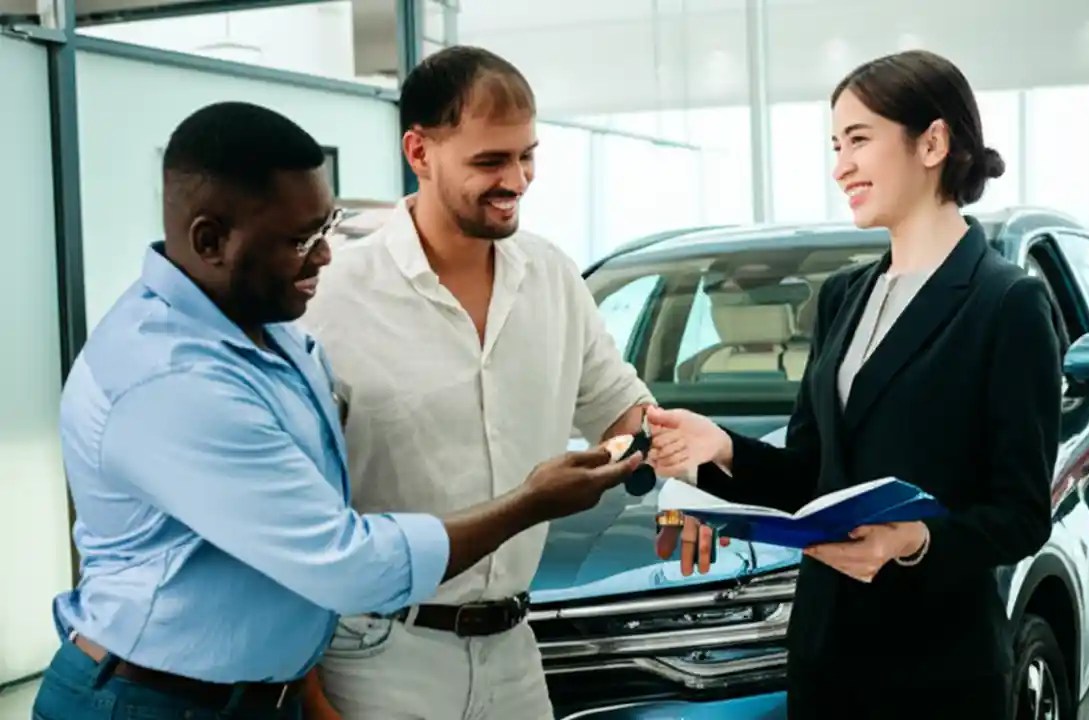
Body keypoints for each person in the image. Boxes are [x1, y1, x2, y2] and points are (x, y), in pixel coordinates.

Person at [33, 101, 641, 720]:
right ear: (209, 241)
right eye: (300, 241)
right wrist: (531, 502)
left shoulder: (269, 330)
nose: (324, 256)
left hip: (257, 695)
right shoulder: (172, 381)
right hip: (149, 701)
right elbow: (345, 563)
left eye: (327, 227)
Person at [646, 49, 1062, 719]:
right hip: (824, 656)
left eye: (859, 140)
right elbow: (811, 475)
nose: (840, 166)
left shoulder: (1006, 302)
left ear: (932, 143)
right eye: (836, 145)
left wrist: (912, 541)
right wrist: (719, 447)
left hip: (936, 671)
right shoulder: (843, 296)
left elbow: (1020, 513)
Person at [297, 46, 654, 720]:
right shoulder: (332, 297)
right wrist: (311, 699)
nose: (516, 180)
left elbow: (625, 409)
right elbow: (298, 518)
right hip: (376, 658)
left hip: (515, 654)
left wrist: (679, 492)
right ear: (419, 152)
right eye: (490, 161)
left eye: (527, 156)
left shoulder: (552, 276)